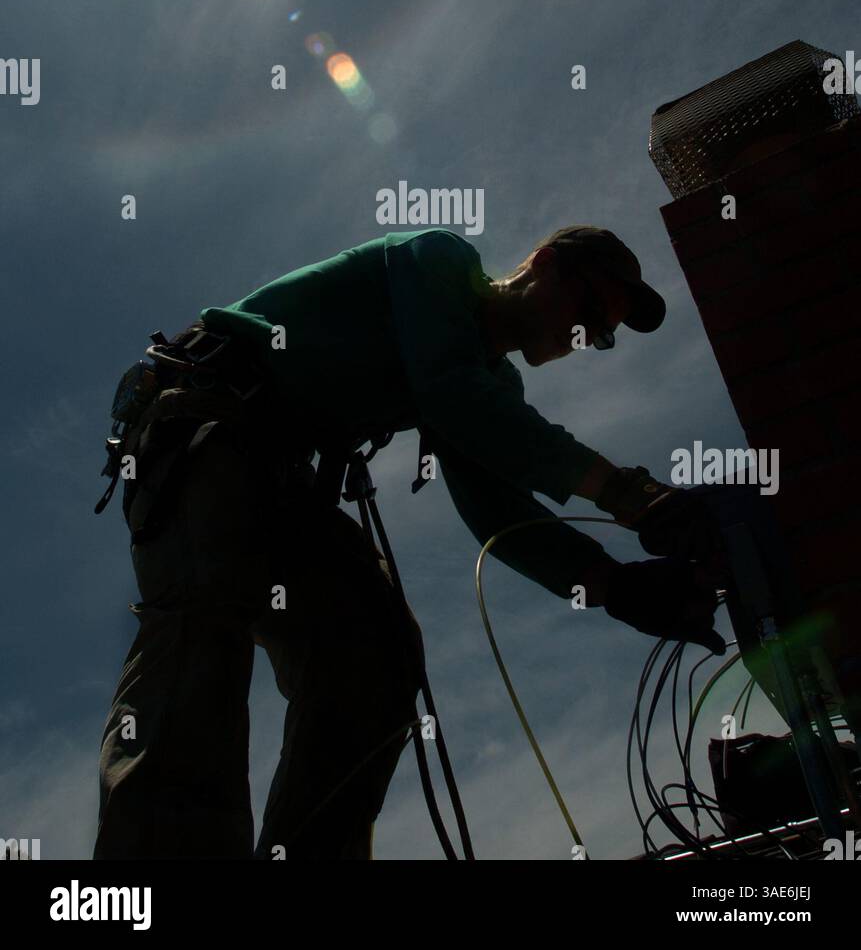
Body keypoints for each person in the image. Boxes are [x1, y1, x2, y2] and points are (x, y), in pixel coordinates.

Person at [92, 223, 724, 861]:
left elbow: (498, 512)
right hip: (206, 427)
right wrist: (627, 494)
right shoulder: (440, 261)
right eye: (588, 311)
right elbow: (455, 398)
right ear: (545, 263)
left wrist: (613, 586)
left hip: (279, 476)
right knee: (203, 623)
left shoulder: (485, 383)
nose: (583, 337)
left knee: (376, 653)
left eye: (602, 336)